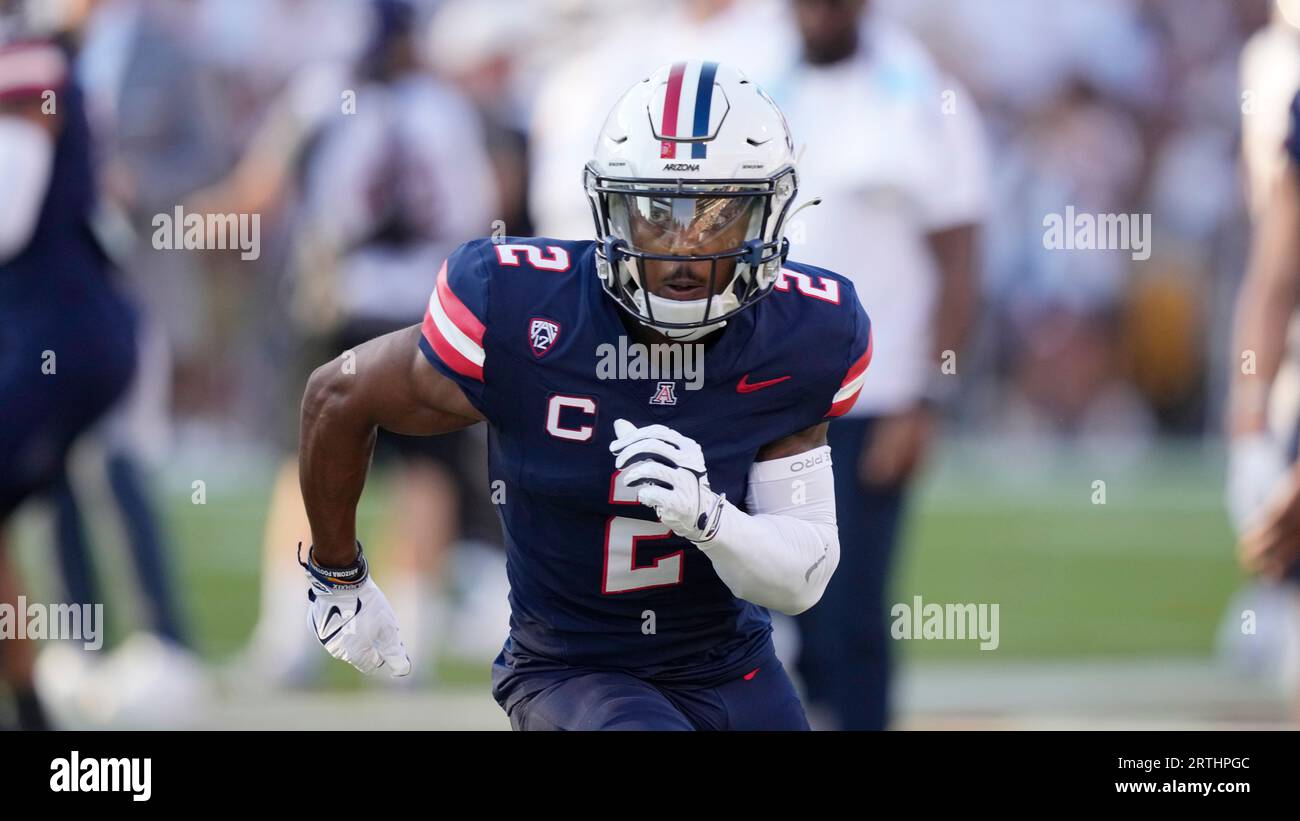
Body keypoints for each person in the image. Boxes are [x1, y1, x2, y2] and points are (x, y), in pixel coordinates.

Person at [297, 61, 872, 730]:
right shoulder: (522, 310)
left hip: (729, 665)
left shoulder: (803, 333)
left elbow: (799, 577)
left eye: (716, 217)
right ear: (610, 210)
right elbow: (338, 393)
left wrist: (710, 518)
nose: (684, 253)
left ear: (768, 216)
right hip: (573, 668)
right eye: (659, 215)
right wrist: (338, 573)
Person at [768, 0, 985, 729]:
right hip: (763, 390)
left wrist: (930, 394)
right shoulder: (755, 77)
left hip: (873, 396)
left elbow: (959, 254)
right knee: (750, 610)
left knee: (850, 612)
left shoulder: (919, 90)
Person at [0, 36, 138, 729]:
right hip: (48, 329)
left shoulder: (25, 61)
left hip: (62, 332)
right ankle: (29, 706)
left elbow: (7, 214)